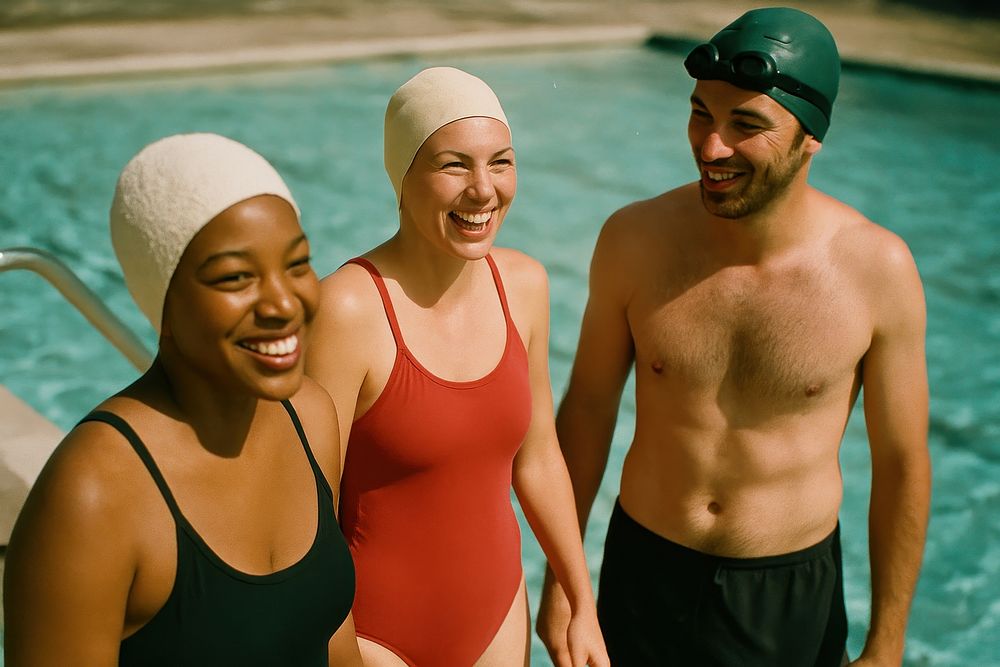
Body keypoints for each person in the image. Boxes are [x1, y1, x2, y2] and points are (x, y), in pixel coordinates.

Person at [537, 7, 930, 666]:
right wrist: (564, 588)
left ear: (811, 140)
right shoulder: (634, 238)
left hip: (785, 596)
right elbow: (586, 414)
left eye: (746, 125)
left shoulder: (876, 270)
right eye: (700, 114)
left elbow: (900, 464)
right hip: (644, 574)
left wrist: (886, 642)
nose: (711, 146)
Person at [3, 133, 362, 666]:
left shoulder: (310, 415)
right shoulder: (94, 495)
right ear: (162, 297)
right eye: (236, 277)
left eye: (296, 265)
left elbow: (332, 640)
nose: (283, 303)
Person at [306, 67, 608, 667]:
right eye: (453, 165)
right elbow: (306, 502)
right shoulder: (347, 308)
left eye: (500, 162)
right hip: (373, 634)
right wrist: (333, 645)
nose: (483, 190)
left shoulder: (524, 286)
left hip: (498, 618)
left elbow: (540, 455)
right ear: (402, 175)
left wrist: (581, 601)